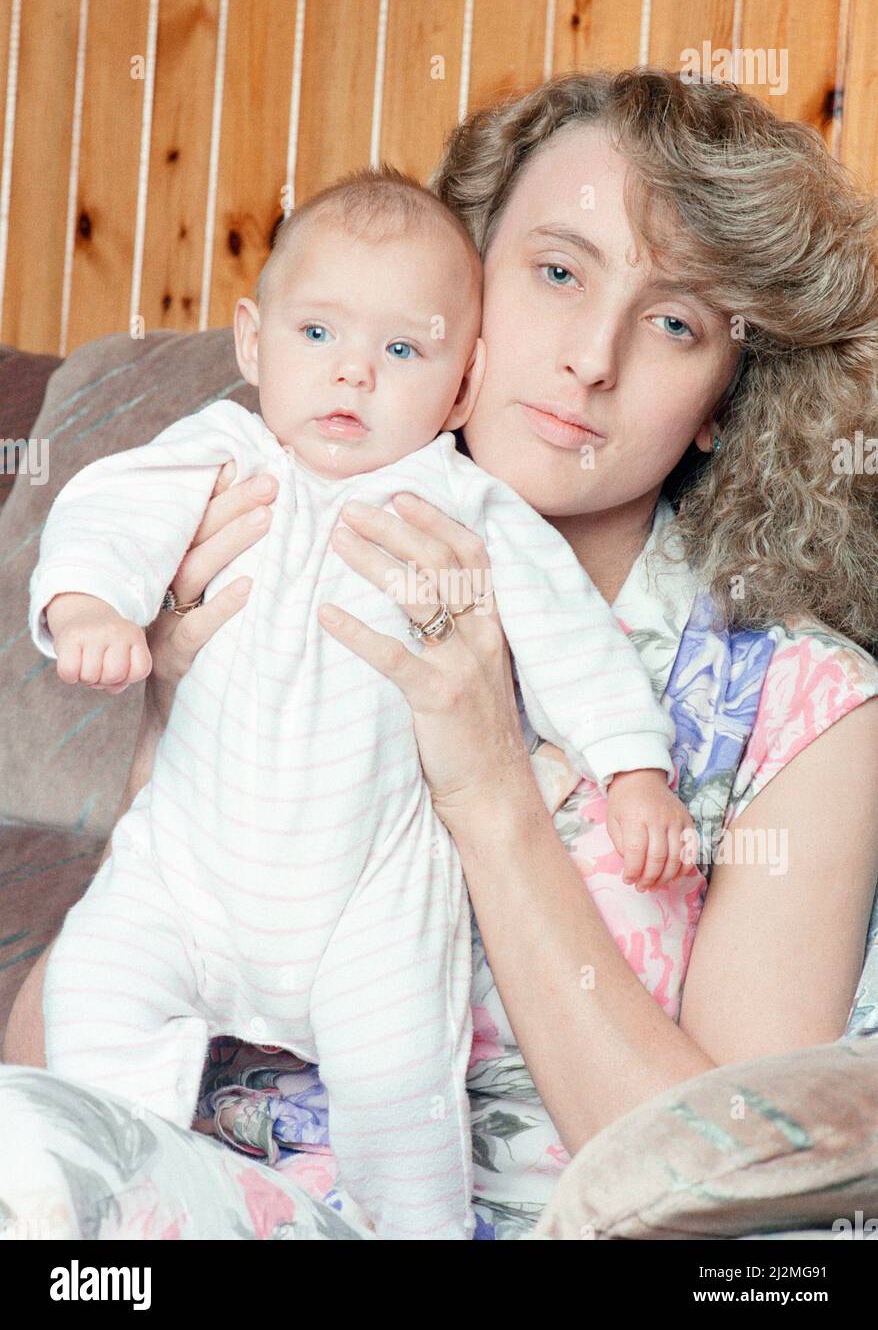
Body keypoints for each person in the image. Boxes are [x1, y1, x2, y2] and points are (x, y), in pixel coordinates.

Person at [2, 66, 878, 1242]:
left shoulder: (805, 705)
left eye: (673, 322)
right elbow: (44, 1074)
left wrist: (489, 790)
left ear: (722, 396)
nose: (590, 359)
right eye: (556, 273)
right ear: (460, 289)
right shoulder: (262, 528)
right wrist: (174, 720)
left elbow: (735, 1206)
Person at [25, 168, 692, 1242]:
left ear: (460, 388)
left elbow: (567, 627)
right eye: (317, 333)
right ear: (252, 343)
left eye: (400, 352)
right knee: (95, 998)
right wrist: (90, 603)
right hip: (186, 875)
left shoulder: (456, 500)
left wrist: (631, 765)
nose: (350, 374)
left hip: (367, 894)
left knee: (400, 1081)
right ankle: (119, 1201)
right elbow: (110, 506)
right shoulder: (225, 451)